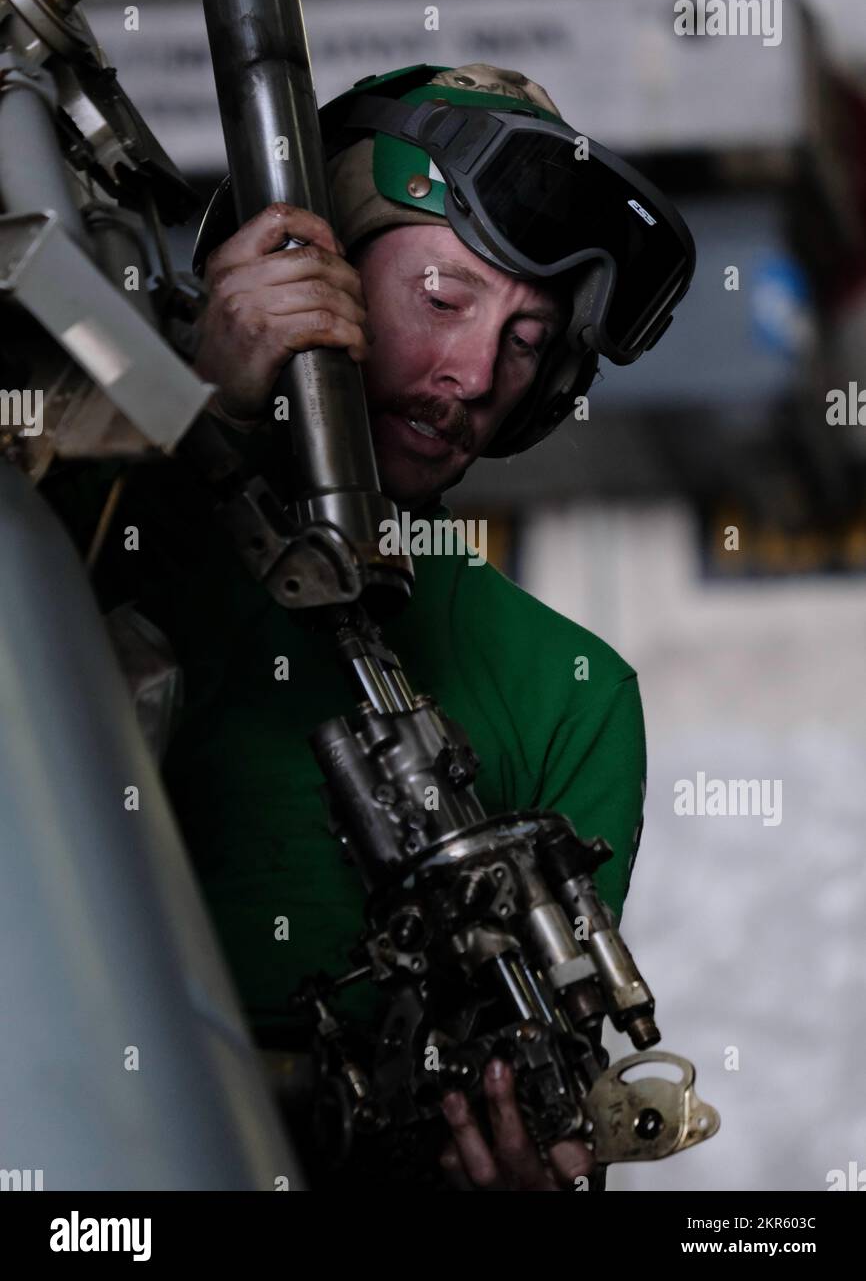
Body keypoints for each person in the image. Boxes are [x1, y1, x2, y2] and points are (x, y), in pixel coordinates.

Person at [59, 63, 694, 1191]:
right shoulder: (74, 514)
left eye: (527, 341)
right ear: (314, 268)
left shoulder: (571, 689)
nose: (469, 374)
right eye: (442, 298)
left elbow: (552, 1086)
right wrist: (180, 404)